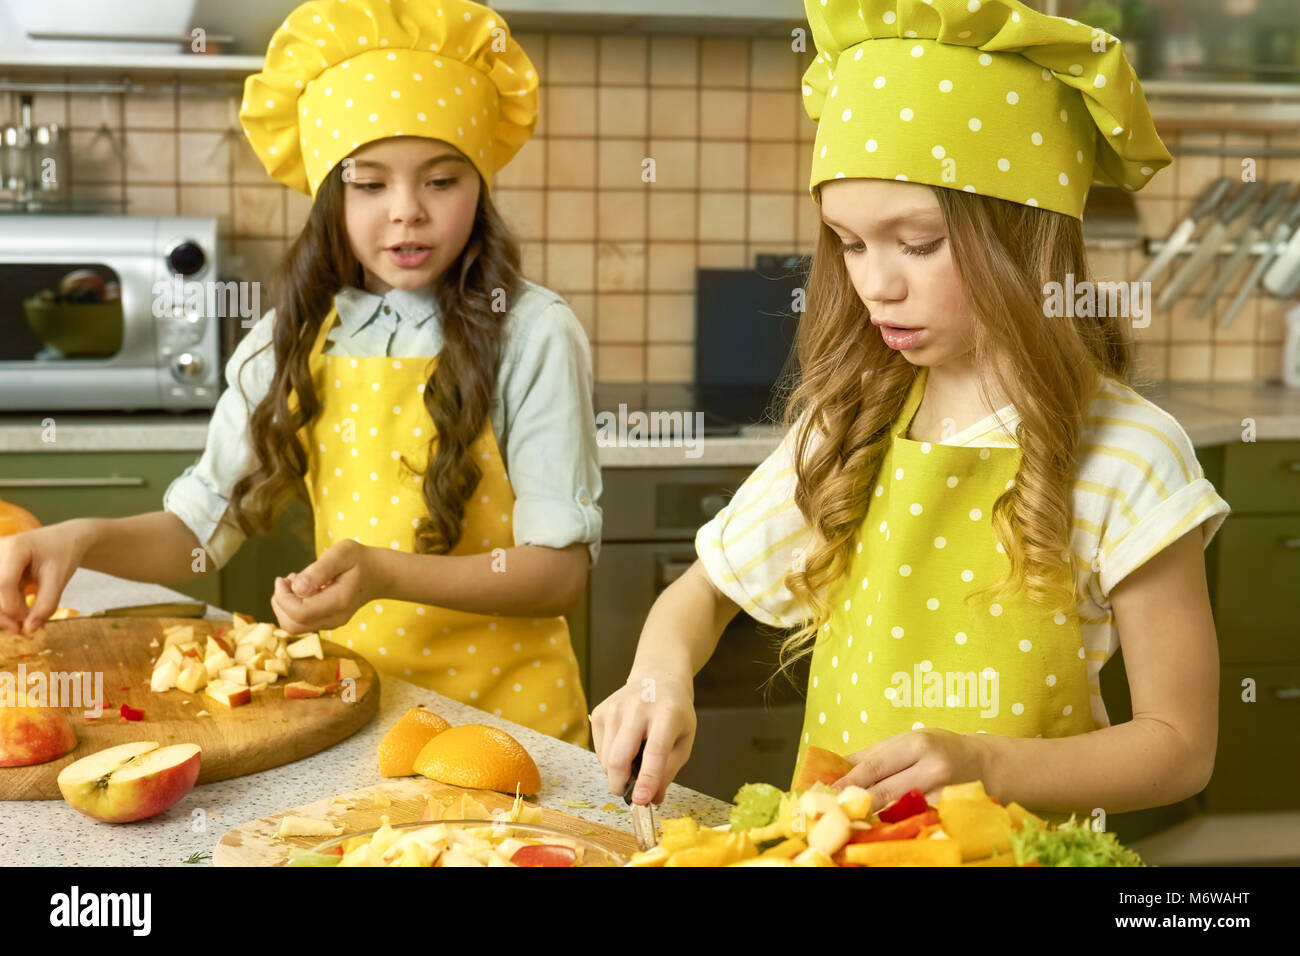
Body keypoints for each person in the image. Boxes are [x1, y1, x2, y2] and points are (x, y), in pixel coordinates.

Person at [593, 0, 1224, 821]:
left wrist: (984, 765)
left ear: (1026, 236)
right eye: (849, 243)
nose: (874, 284)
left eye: (918, 243)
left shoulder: (1130, 453)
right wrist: (658, 676)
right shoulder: (849, 423)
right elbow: (698, 596)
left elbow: (1180, 747)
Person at [0, 0, 597, 747]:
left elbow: (558, 574)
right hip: (355, 723)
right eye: (369, 184)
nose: (406, 212)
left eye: (441, 181)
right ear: (328, 197)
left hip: (513, 734)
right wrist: (78, 539)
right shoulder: (287, 340)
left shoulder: (534, 333)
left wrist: (386, 574)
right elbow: (197, 532)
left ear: (479, 186)